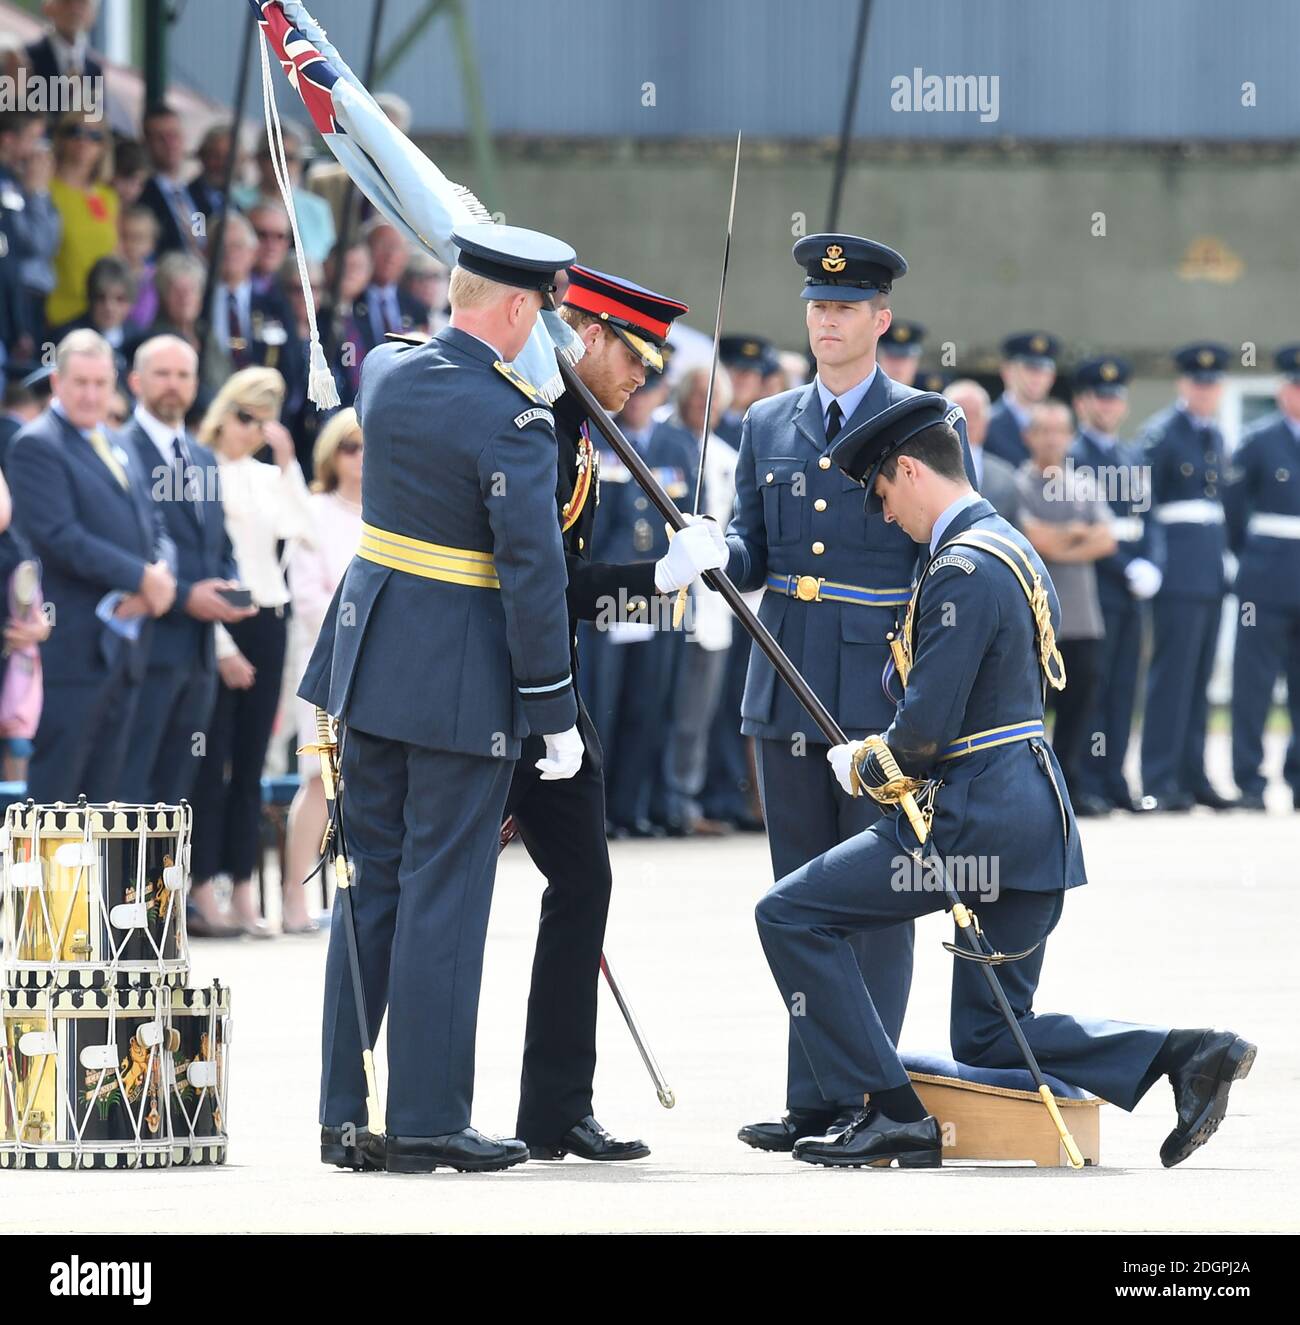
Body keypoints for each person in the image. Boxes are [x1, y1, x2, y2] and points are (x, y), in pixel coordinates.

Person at [755, 392, 1256, 1169]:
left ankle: (891, 1112)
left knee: (789, 914)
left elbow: (922, 734)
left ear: (912, 472)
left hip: (970, 819)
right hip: (1029, 815)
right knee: (991, 1032)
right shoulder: (1009, 545)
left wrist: (858, 762)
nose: (886, 515)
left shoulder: (960, 568)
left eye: (884, 493)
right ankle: (1184, 1054)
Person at [303, 223, 584, 1175]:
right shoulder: (514, 417)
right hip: (462, 678)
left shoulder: (390, 370)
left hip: (371, 653)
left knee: (365, 881)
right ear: (513, 308)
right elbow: (530, 573)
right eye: (539, 309)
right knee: (444, 894)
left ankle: (344, 1109)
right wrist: (554, 709)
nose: (540, 326)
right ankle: (425, 1115)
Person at [725, 232, 974, 1152]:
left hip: (879, 684)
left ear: (880, 319)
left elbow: (954, 551)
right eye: (816, 307)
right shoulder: (765, 421)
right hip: (786, 676)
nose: (827, 321)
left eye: (845, 308)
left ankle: (876, 1093)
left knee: (873, 897)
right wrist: (717, 552)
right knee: (798, 892)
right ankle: (816, 1097)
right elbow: (753, 550)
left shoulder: (925, 417)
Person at [502, 263, 723, 1160]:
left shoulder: (582, 429)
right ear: (588, 336)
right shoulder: (542, 427)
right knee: (437, 894)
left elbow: (571, 591)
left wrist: (656, 581)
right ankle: (403, 1102)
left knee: (584, 881)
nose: (645, 378)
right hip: (499, 694)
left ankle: (555, 1108)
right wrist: (654, 577)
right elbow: (545, 581)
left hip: (555, 688)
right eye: (635, 356)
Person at [6, 329, 176, 803]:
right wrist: (140, 577)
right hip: (72, 646)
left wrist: (158, 578)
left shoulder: (119, 441)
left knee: (109, 801)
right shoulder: (36, 444)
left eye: (101, 384)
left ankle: (101, 883)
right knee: (58, 797)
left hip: (127, 647)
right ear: (57, 382)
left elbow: (156, 526)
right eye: (80, 382)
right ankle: (42, 883)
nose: (91, 394)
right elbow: (60, 537)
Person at [188, 367, 312, 938]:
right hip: (220, 617)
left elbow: (302, 528)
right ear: (225, 411)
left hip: (269, 614)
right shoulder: (197, 465)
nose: (251, 430)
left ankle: (243, 889)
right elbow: (199, 556)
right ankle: (202, 889)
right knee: (210, 764)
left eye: (262, 420)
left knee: (253, 766)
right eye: (244, 416)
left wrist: (287, 462)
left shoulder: (267, 474)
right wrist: (219, 646)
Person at [118, 336, 252, 821]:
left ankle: (165, 896)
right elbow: (129, 551)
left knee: (179, 793)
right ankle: (127, 896)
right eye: (162, 374)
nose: (173, 386)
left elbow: (219, 544)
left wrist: (232, 587)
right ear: (135, 381)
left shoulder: (202, 457)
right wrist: (184, 598)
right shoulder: (120, 451)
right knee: (133, 788)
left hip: (197, 659)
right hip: (146, 649)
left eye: (183, 376)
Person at [1139, 343, 1239, 812]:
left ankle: (1193, 774)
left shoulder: (1215, 436)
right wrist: (1153, 562)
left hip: (1208, 571)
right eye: (1199, 383)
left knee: (1200, 679)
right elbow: (1147, 507)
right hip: (1176, 572)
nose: (1206, 391)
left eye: (1213, 384)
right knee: (1172, 678)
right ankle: (1160, 777)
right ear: (1183, 385)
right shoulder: (1161, 435)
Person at [1070, 356, 1165, 814]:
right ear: (1084, 402)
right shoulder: (1075, 457)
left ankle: (1115, 778)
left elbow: (1150, 521)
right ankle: (1087, 778)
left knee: (1127, 686)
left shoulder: (1132, 457)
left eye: (1115, 398)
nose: (1109, 406)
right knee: (1096, 686)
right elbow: (1085, 528)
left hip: (1133, 588)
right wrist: (1125, 565)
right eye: (1100, 397)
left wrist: (1153, 565)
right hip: (1100, 585)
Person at [284, 407, 364, 933]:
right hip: (324, 660)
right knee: (320, 779)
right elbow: (306, 594)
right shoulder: (311, 510)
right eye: (350, 447)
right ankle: (294, 897)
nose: (361, 458)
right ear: (331, 455)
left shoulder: (394, 509)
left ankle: (353, 897)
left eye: (368, 446)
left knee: (368, 782)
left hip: (381, 664)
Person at [1014, 400, 1117, 810]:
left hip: (1083, 619)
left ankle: (1071, 787)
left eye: (1060, 430)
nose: (1052, 438)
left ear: (1071, 437)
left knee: (1079, 708)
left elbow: (1108, 540)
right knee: (1033, 709)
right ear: (1029, 436)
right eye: (1044, 430)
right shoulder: (1017, 484)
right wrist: (1077, 535)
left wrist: (1061, 544)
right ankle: (1032, 790)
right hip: (1036, 620)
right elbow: (1033, 538)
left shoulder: (1085, 484)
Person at [660, 362, 740, 836]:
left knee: (698, 712)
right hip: (664, 597)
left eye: (710, 397)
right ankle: (661, 801)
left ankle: (684, 801)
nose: (701, 405)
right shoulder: (663, 442)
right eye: (695, 395)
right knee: (659, 707)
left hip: (710, 603)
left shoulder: (727, 454)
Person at [1226, 345, 1300, 812]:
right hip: (1265, 578)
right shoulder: (1258, 440)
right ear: (1283, 391)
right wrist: (1247, 559)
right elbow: (1235, 510)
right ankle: (1249, 779)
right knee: (1253, 684)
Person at [46, 109, 118, 328]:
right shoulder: (45, 190)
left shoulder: (108, 197)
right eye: (75, 131)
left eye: (95, 136)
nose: (84, 140)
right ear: (60, 138)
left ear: (104, 147)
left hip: (100, 311)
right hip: (56, 311)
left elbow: (114, 253)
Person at [946, 377, 1021, 524]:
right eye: (962, 414)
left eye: (976, 415)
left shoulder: (1006, 475)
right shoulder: (927, 469)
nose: (969, 422)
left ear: (987, 420)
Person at [984, 331, 1061, 466]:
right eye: (1029, 368)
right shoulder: (986, 424)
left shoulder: (1060, 426)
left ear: (1052, 377)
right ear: (1007, 371)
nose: (1037, 377)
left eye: (1044, 370)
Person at [138, 103, 203, 257]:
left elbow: (200, 234)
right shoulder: (142, 196)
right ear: (146, 143)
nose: (169, 144)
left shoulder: (195, 193)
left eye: (174, 135)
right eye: (160, 138)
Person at [876, 319, 925, 387]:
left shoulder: (931, 394)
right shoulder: (861, 393)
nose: (897, 365)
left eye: (904, 358)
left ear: (915, 361)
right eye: (891, 356)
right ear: (878, 358)